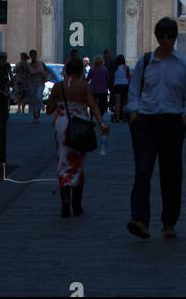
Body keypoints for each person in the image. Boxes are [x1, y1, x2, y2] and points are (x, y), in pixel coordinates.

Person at [126, 17, 186, 240]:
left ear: (175, 38)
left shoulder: (185, 65)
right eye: (162, 36)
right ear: (157, 37)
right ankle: (140, 220)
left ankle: (169, 223)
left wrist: (185, 120)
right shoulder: (145, 62)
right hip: (145, 122)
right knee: (142, 171)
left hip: (172, 123)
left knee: (172, 175)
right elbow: (134, 89)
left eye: (169, 36)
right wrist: (134, 114)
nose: (165, 40)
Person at [45, 54, 108, 218]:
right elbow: (93, 105)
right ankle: (77, 204)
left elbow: (49, 109)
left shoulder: (58, 87)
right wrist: (101, 123)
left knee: (63, 161)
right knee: (78, 163)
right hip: (80, 126)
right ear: (81, 71)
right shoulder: (84, 86)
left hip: (61, 126)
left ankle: (65, 199)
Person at [26, 49, 50, 122]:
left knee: (38, 96)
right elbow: (26, 75)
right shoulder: (28, 65)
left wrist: (44, 74)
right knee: (33, 99)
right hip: (31, 83)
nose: (33, 56)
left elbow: (47, 71)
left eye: (34, 55)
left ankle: (39, 113)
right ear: (30, 56)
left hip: (40, 82)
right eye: (32, 55)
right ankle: (35, 115)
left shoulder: (41, 63)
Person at [112, 54, 130, 122]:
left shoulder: (115, 68)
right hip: (124, 85)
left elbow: (113, 76)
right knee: (125, 102)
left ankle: (117, 118)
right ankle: (124, 117)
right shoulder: (126, 67)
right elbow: (127, 76)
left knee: (117, 102)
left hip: (116, 85)